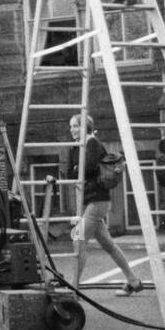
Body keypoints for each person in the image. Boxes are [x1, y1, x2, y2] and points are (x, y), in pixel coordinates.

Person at [66, 114, 143, 294]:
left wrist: (79, 169)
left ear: (85, 126)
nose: (72, 129)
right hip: (88, 201)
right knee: (108, 244)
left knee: (78, 239)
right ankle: (133, 281)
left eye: (75, 126)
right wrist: (79, 169)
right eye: (71, 126)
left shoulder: (93, 143)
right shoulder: (75, 148)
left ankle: (73, 287)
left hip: (98, 200)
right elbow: (70, 173)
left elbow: (89, 168)